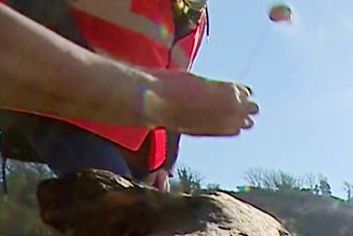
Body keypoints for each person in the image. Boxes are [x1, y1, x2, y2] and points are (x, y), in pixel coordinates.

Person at [0, 1, 248, 190]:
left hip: (129, 139)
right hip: (61, 113)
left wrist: (161, 162)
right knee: (132, 228)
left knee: (146, 224)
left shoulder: (195, 12)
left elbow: (174, 78)